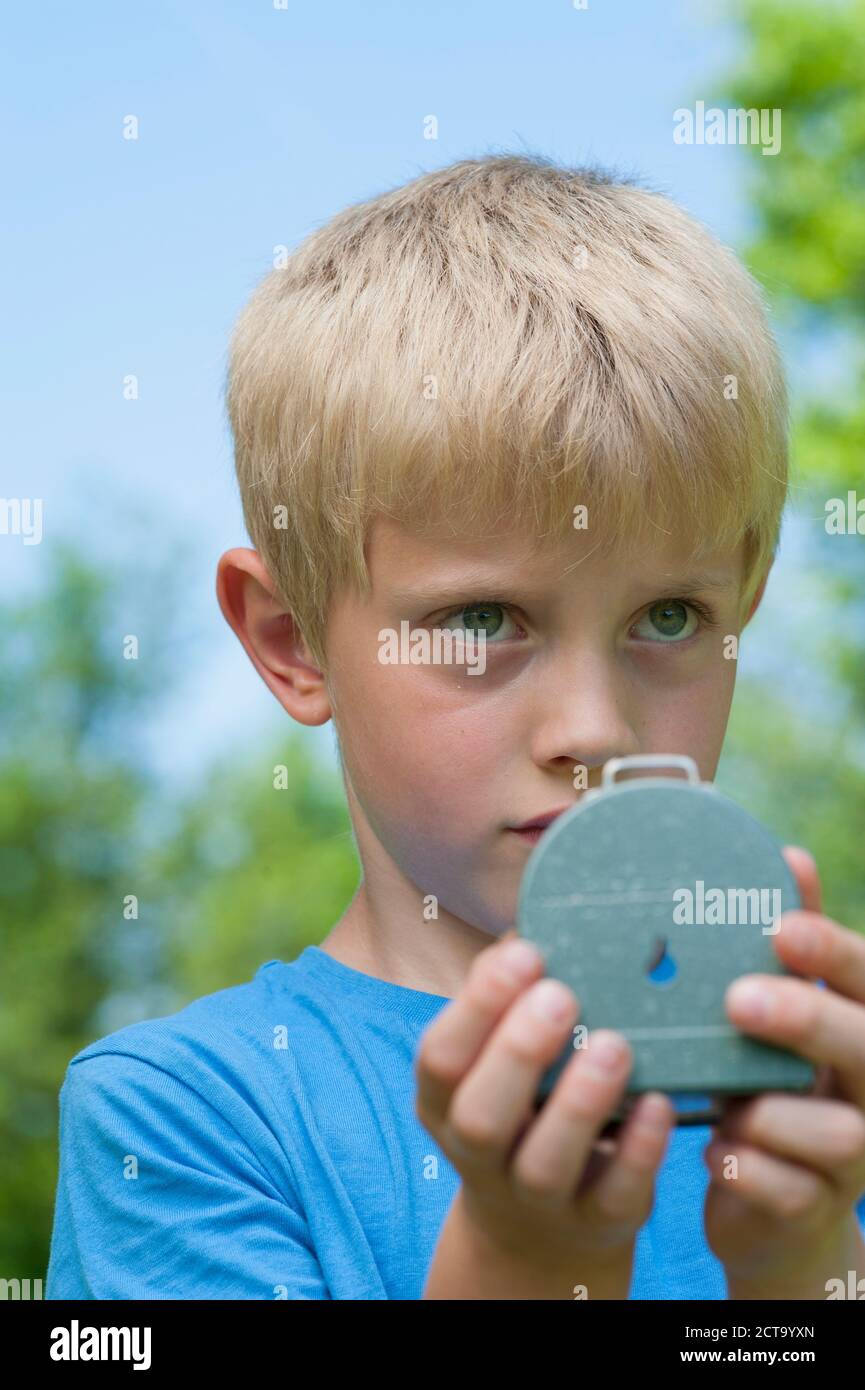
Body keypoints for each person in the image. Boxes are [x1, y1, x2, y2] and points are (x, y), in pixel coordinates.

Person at [46, 154, 865, 1299]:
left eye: (667, 615)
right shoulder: (185, 1117)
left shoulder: (824, 1092)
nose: (592, 726)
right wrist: (528, 1262)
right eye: (484, 619)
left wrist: (804, 1268)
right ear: (291, 640)